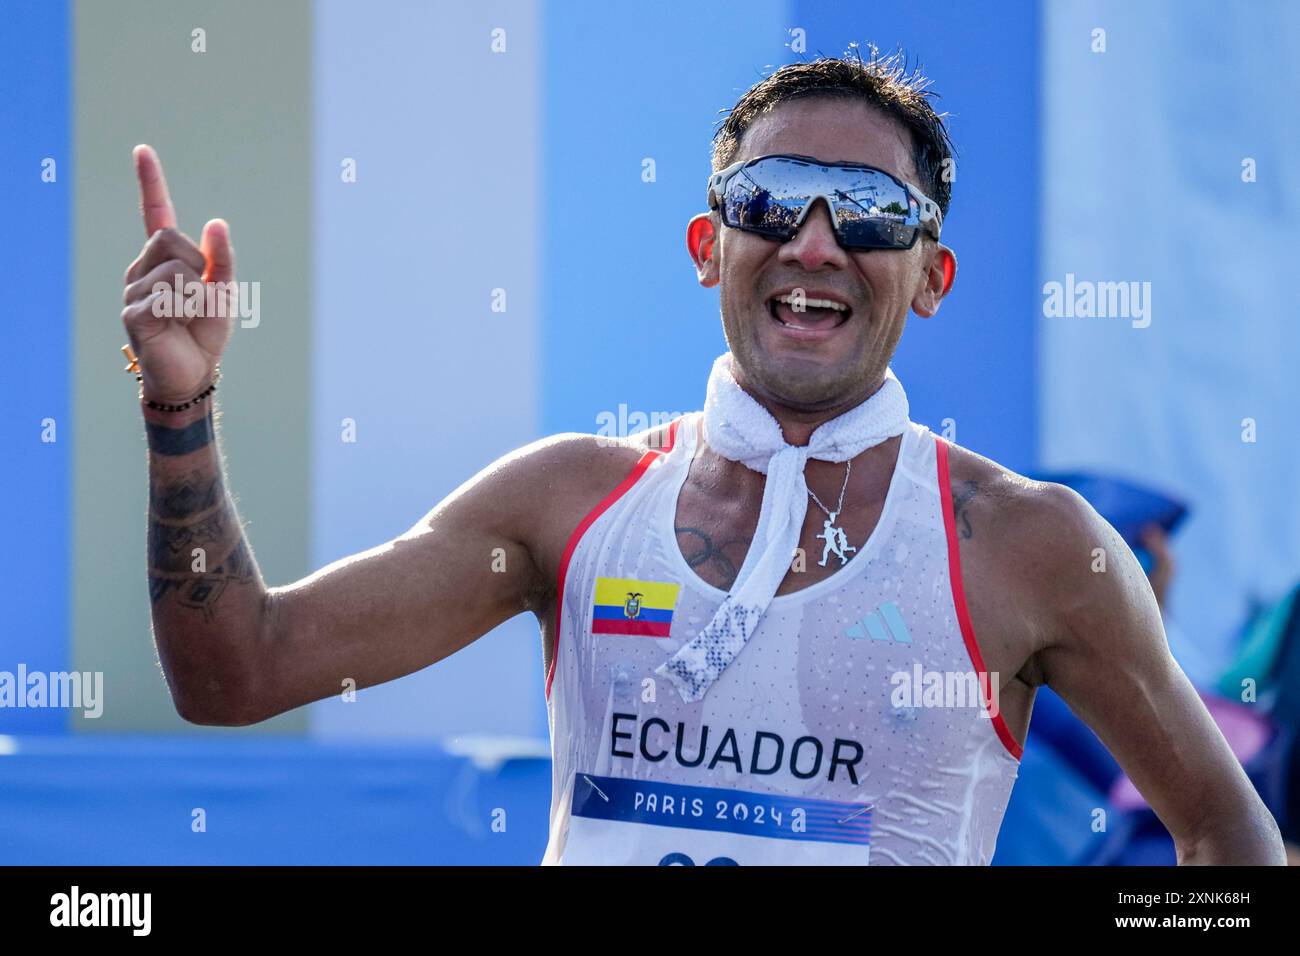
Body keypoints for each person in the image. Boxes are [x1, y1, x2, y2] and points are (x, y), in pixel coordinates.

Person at [120, 50, 1284, 865]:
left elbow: (1227, 832)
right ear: (706, 246)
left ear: (931, 278)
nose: (815, 239)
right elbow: (236, 673)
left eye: (870, 209)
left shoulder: (1030, 545)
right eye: (772, 198)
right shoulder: (567, 499)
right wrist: (182, 407)